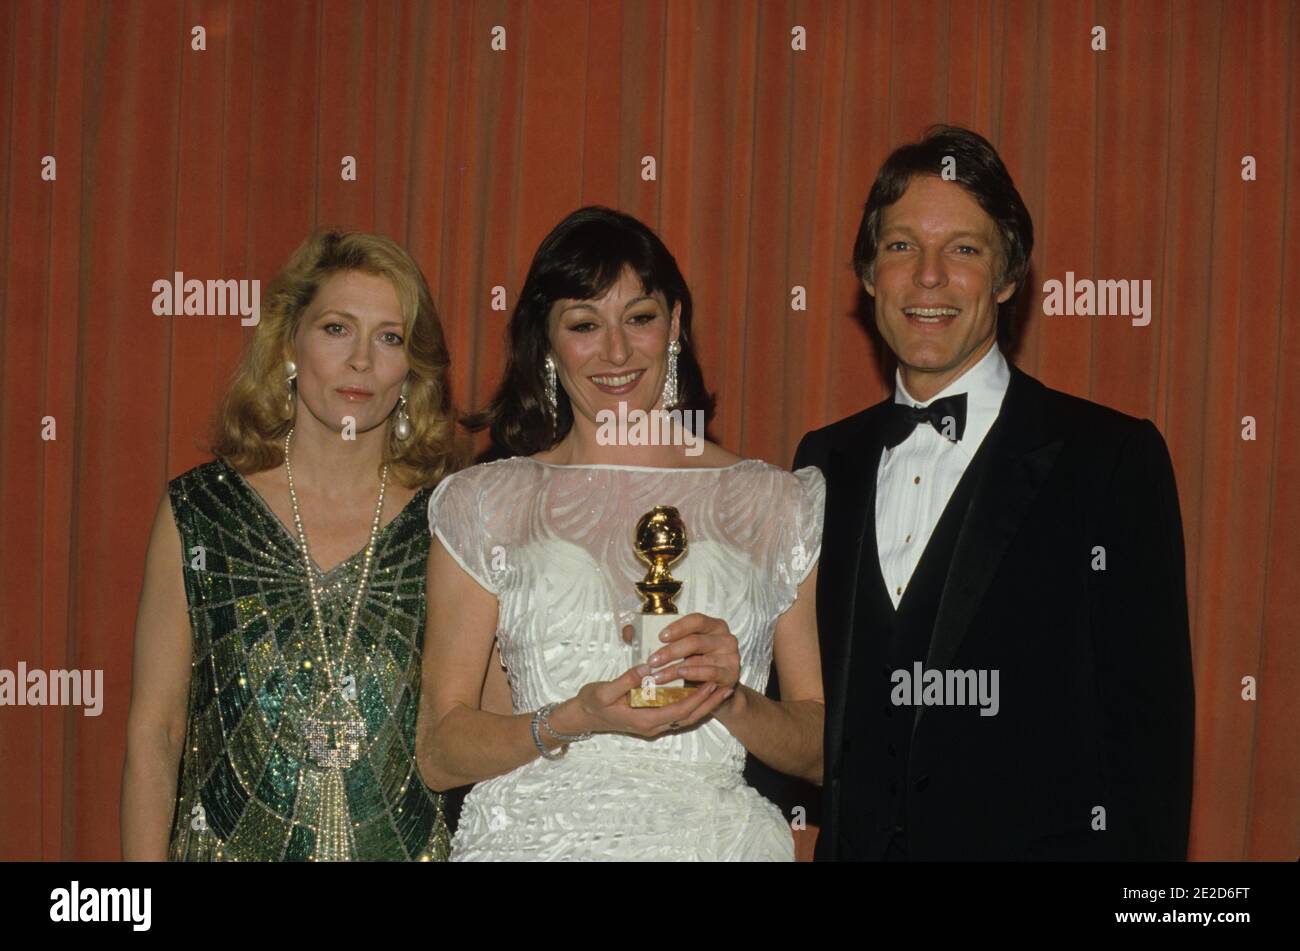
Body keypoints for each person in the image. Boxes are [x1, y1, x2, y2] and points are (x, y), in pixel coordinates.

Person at [796, 126, 1195, 861]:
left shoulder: (1110, 460)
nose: (928, 277)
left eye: (965, 250)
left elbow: (1149, 746)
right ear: (867, 273)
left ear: (1009, 276)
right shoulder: (822, 461)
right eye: (901, 246)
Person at [418, 206, 825, 861]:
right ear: (546, 342)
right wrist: (575, 717)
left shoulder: (772, 502)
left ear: (675, 324)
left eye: (639, 317)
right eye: (584, 324)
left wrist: (731, 698)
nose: (616, 351)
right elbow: (440, 752)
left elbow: (822, 749)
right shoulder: (487, 503)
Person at [121, 231, 464, 860]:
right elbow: (157, 732)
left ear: (411, 368)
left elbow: (474, 734)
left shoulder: (454, 522)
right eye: (337, 328)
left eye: (389, 337)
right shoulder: (201, 514)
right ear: (289, 344)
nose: (361, 360)